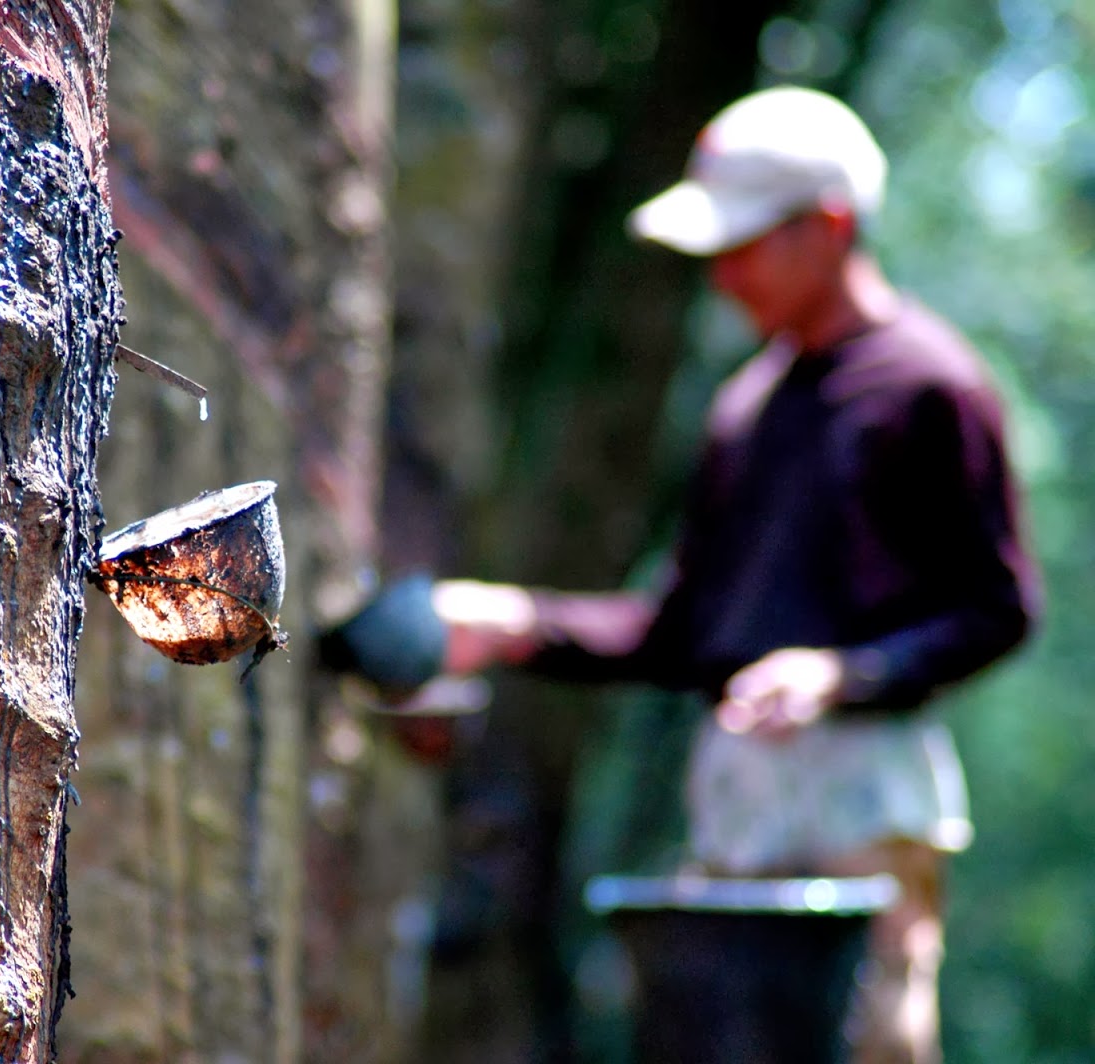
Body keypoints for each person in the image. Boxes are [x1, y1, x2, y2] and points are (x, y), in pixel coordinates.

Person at [430, 86, 1040, 1064]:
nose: (722, 273)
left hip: (864, 799)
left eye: (744, 243)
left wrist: (843, 673)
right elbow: (683, 632)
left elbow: (998, 607)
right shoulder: (746, 405)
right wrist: (518, 623)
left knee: (867, 1040)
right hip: (738, 799)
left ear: (829, 227)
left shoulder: (931, 386)